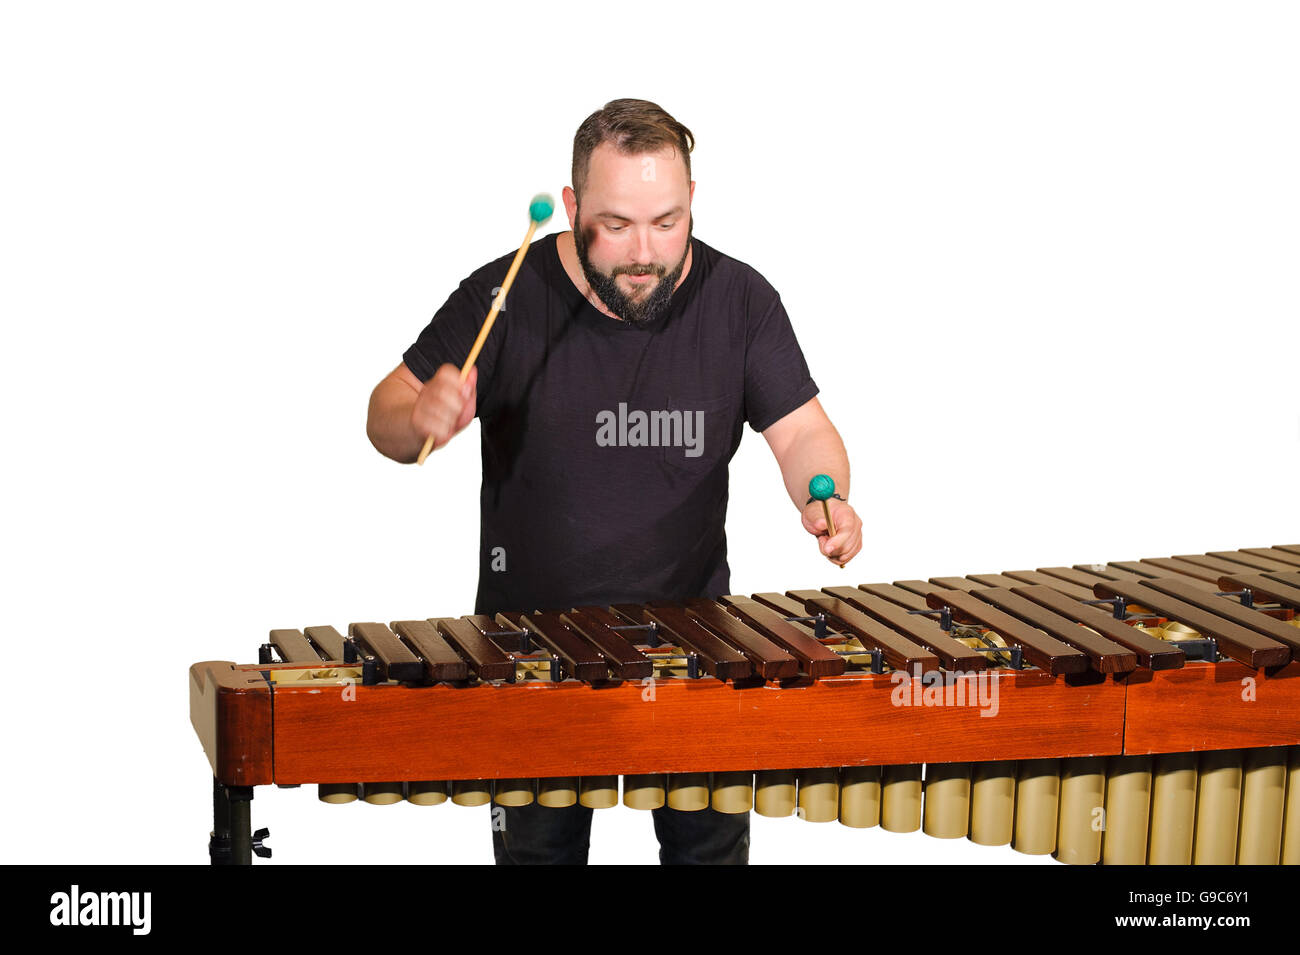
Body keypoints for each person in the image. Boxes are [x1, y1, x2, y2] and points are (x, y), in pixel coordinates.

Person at [366, 99, 863, 864]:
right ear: (571, 209)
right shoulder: (503, 296)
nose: (645, 252)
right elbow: (385, 414)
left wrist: (823, 491)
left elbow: (800, 429)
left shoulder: (741, 300)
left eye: (666, 221)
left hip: (697, 654)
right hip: (527, 659)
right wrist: (422, 416)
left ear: (693, 199)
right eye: (617, 224)